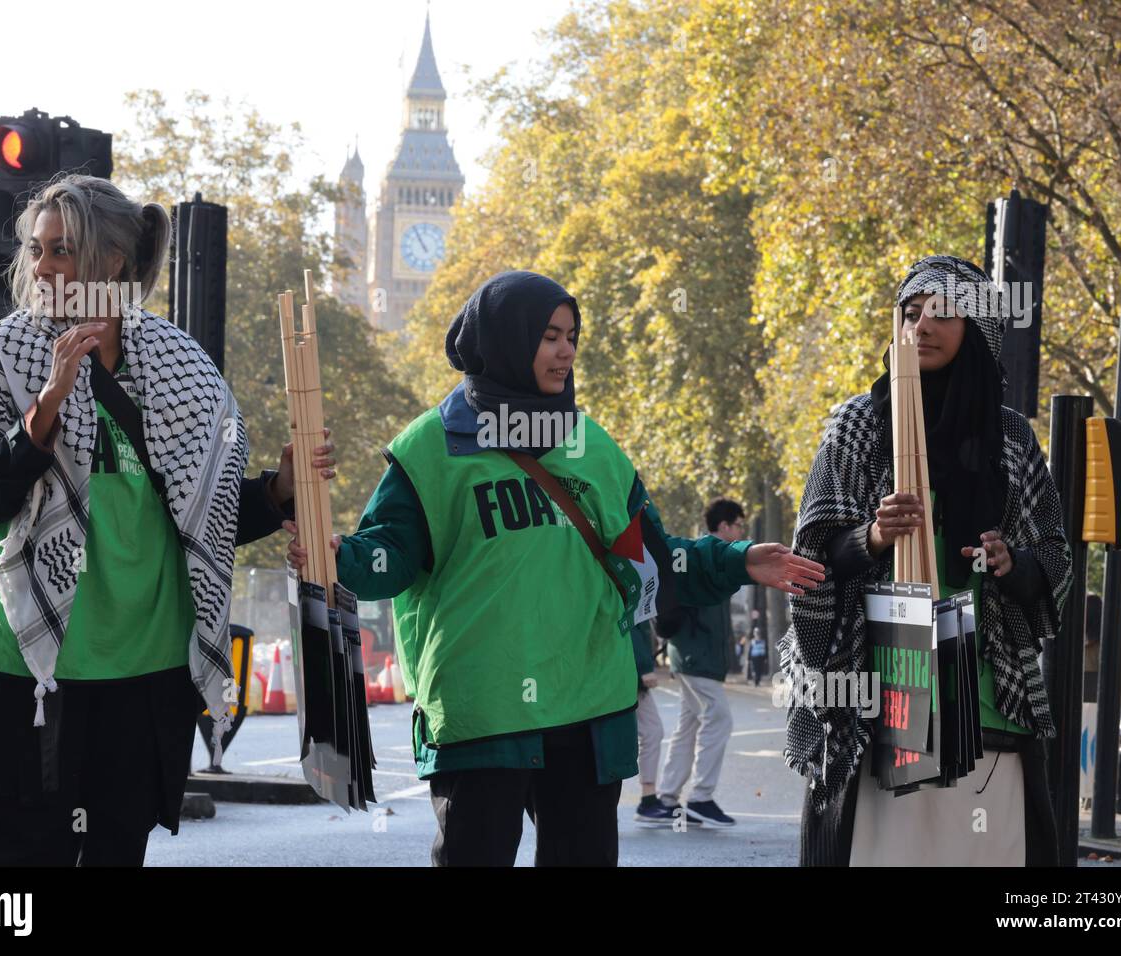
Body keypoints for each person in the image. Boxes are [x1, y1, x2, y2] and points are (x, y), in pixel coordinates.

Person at [287, 270, 824, 865]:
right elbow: (388, 554)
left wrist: (740, 559)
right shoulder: (429, 448)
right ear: (504, 340)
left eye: (572, 335)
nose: (566, 350)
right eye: (549, 335)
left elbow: (653, 555)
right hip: (482, 707)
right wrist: (341, 559)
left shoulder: (594, 448)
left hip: (589, 705)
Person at [0, 174, 335, 866]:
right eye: (36, 250)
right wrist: (45, 411)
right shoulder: (8, 353)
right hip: (22, 685)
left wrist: (281, 490)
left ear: (113, 262)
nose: (42, 267)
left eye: (62, 250)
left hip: (137, 690)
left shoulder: (183, 368)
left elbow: (203, 524)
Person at [781, 254, 1071, 866]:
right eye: (912, 315)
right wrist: (872, 539)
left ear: (980, 329)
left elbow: (1055, 558)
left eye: (945, 315)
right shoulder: (859, 425)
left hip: (989, 697)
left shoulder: (1011, 436)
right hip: (884, 689)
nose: (925, 328)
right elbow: (811, 559)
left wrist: (1010, 561)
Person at [652, 496, 746, 828]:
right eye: (738, 525)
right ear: (724, 526)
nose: (741, 532)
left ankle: (666, 797)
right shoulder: (709, 557)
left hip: (690, 654)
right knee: (718, 719)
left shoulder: (709, 556)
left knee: (688, 726)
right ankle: (701, 798)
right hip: (696, 655)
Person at [631, 621, 668, 826]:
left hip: (628, 673)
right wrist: (644, 666)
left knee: (652, 731)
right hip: (625, 673)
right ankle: (647, 800)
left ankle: (648, 798)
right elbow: (629, 623)